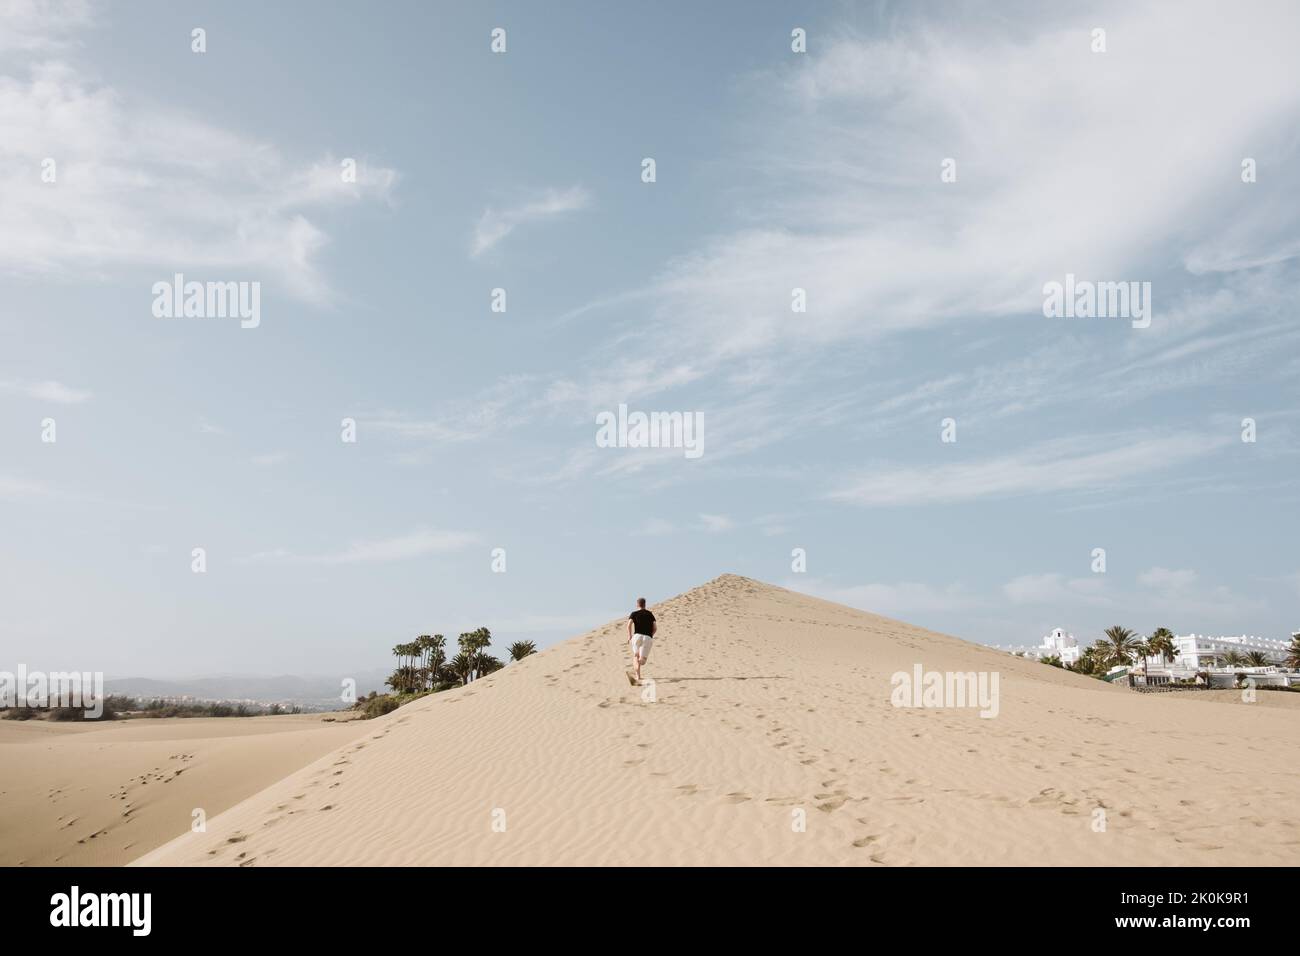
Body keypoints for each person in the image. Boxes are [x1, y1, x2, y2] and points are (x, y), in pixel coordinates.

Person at [626, 597, 657, 685]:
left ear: (637, 605)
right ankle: (638, 676)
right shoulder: (650, 614)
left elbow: (628, 625)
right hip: (647, 638)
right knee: (642, 661)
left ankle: (637, 676)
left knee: (636, 656)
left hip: (637, 636)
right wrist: (650, 635)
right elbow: (655, 628)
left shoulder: (634, 613)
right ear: (645, 604)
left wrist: (629, 636)